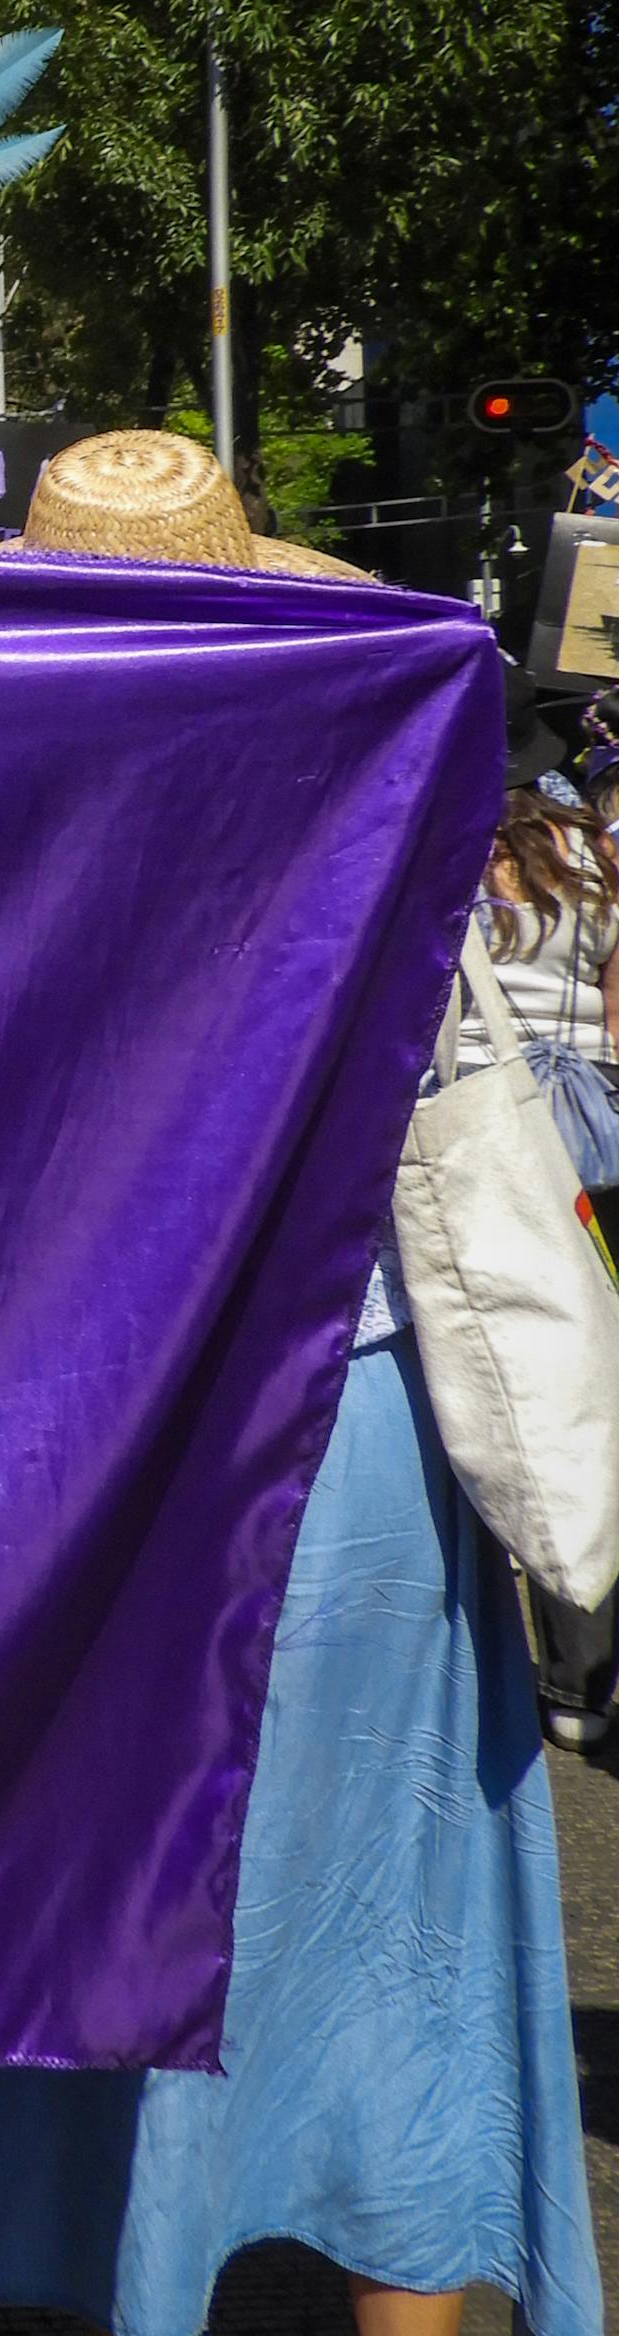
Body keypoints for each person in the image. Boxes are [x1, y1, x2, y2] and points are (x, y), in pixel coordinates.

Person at [0, 430, 603, 2336]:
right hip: (382, 1464)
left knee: (148, 1952)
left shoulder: (23, 862)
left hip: (125, 1482)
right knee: (405, 1946)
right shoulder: (373, 820)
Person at [472, 682, 619, 1750]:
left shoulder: (457, 856)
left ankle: (544, 1661)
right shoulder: (592, 857)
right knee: (586, 1387)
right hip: (594, 1139)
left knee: (507, 1387)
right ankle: (586, 1670)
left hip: (488, 1143)